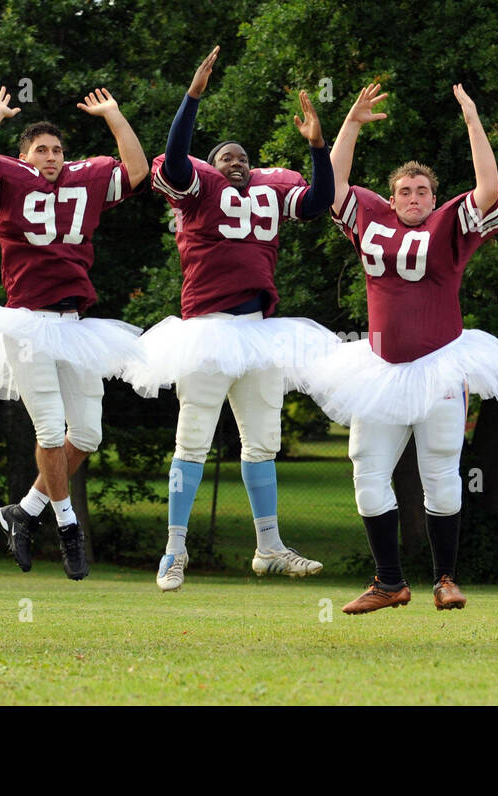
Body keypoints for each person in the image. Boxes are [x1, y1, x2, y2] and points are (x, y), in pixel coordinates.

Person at [126, 46, 339, 591]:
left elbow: (317, 203)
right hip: (207, 331)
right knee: (192, 440)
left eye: (243, 156)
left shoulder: (270, 189)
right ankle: (175, 550)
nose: (236, 161)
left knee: (263, 441)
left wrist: (317, 146)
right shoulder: (199, 190)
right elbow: (174, 159)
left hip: (260, 332)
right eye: (226, 157)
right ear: (211, 166)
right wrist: (192, 96)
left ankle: (268, 546)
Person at [307, 83, 498, 614]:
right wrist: (350, 123)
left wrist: (473, 121)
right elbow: (330, 187)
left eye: (422, 190)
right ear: (391, 195)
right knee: (365, 469)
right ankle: (388, 581)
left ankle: (445, 578)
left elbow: (489, 189)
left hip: (441, 362)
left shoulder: (450, 222)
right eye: (405, 191)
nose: (413, 198)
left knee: (441, 470)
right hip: (380, 366)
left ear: (434, 196)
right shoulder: (371, 215)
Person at [0, 80, 149, 580]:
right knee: (49, 429)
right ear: (24, 156)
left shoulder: (84, 177)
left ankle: (24, 511)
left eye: (57, 149)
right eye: (41, 150)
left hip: (76, 323)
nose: (50, 157)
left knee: (87, 435)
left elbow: (137, 172)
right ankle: (68, 529)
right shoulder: (8, 177)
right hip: (27, 320)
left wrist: (114, 116)